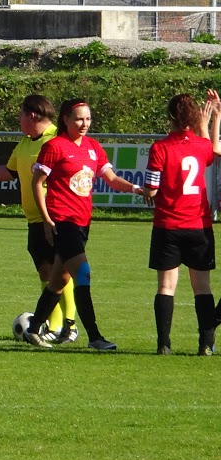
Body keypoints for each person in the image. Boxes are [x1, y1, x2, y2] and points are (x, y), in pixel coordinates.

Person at [23, 99, 143, 350]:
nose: (84, 123)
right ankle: (95, 337)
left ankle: (33, 329)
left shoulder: (93, 147)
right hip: (62, 222)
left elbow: (110, 178)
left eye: (88, 119)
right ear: (65, 119)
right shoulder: (55, 146)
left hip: (82, 223)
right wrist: (46, 219)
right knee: (83, 273)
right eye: (78, 118)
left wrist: (136, 189)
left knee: (59, 280)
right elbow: (37, 183)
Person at [142, 90, 220, 355]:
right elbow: (210, 153)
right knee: (202, 287)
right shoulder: (201, 146)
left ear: (171, 117)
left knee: (166, 286)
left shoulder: (160, 147)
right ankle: (206, 344)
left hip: (168, 225)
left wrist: (146, 193)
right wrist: (208, 123)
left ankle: (164, 343)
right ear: (194, 117)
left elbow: (151, 188)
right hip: (199, 225)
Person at [3, 95, 75, 343]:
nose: (19, 119)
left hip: (55, 217)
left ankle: (66, 325)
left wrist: (53, 215)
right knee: (47, 273)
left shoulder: (57, 139)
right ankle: (56, 324)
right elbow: (8, 172)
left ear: (32, 115)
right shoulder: (24, 144)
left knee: (62, 270)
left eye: (21, 114)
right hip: (34, 220)